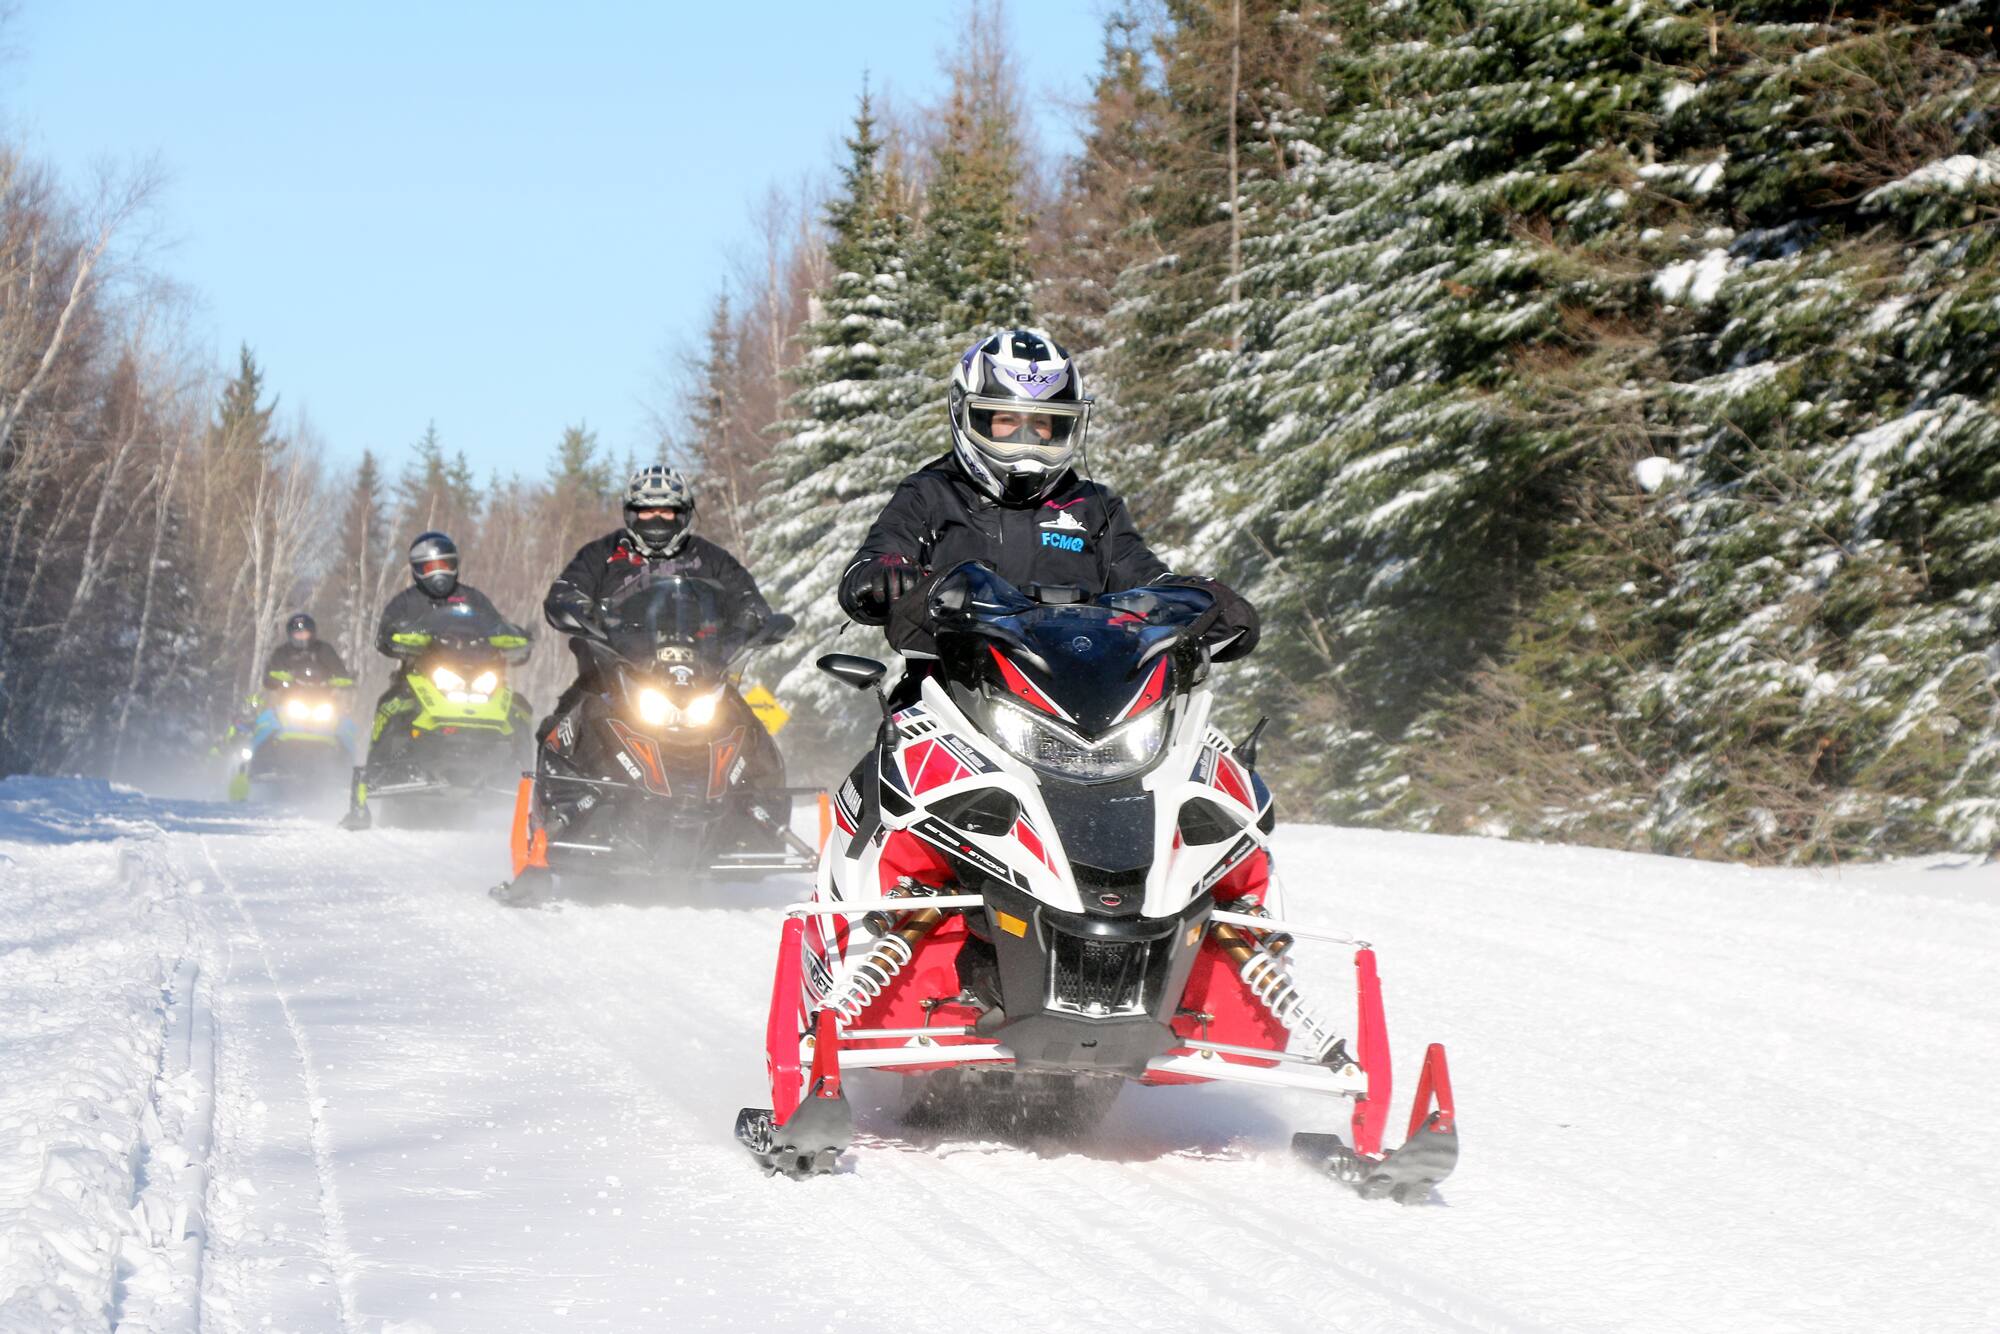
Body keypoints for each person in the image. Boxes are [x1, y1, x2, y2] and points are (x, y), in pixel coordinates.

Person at [840, 326, 1260, 691]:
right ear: (969, 417)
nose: (1026, 440)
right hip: (951, 695)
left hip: (1084, 700)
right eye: (1007, 421)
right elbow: (869, 567)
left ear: (1065, 427)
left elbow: (1147, 581)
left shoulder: (1092, 507)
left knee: (1204, 752)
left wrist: (1205, 601)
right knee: (895, 752)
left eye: (1041, 425)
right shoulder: (930, 494)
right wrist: (884, 575)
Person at [539, 465, 774, 734]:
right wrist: (577, 608)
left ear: (683, 513)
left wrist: (753, 616)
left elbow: (746, 595)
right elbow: (567, 589)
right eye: (647, 511)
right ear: (631, 513)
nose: (657, 519)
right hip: (612, 673)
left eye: (666, 511)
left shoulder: (711, 558)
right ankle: (551, 761)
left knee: (752, 731)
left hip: (701, 677)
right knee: (562, 725)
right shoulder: (602, 554)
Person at [341, 531, 531, 828]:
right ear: (418, 569)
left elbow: (496, 625)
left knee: (519, 709)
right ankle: (372, 781)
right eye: (431, 567)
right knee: (391, 704)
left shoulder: (474, 599)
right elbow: (386, 634)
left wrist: (516, 638)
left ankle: (527, 779)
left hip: (477, 674)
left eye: (445, 564)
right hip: (421, 676)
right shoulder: (407, 601)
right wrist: (397, 637)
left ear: (455, 565)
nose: (439, 572)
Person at [263, 612, 352, 687]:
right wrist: (275, 679)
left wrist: (343, 680)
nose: (301, 635)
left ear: (312, 632)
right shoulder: (282, 652)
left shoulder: (324, 649)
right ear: (291, 634)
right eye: (297, 633)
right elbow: (272, 673)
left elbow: (339, 671)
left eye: (305, 632)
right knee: (273, 703)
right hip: (291, 695)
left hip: (323, 695)